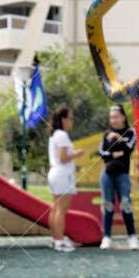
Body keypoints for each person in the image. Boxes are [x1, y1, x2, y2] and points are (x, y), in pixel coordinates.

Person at [97, 104, 139, 250]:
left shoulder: (131, 132)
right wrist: (116, 153)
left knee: (126, 204)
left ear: (123, 117)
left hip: (123, 174)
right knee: (107, 204)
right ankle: (107, 237)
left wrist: (119, 140)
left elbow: (129, 149)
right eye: (111, 117)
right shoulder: (106, 134)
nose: (113, 120)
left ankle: (132, 237)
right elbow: (103, 154)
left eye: (116, 117)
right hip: (107, 174)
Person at [46, 106, 82, 252]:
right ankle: (59, 241)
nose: (71, 121)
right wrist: (77, 153)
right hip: (62, 175)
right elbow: (63, 158)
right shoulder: (62, 135)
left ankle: (56, 239)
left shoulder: (55, 134)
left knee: (55, 209)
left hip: (55, 174)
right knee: (61, 210)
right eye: (70, 118)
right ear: (63, 120)